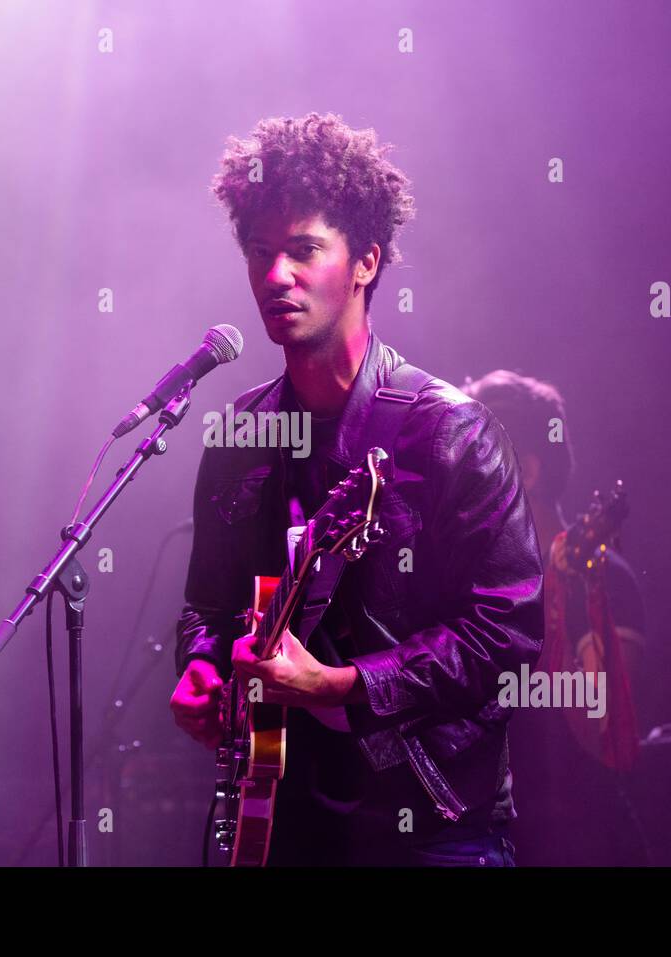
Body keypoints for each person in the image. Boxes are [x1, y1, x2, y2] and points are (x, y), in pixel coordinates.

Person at [168, 112, 544, 866]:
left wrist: (344, 683)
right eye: (260, 252)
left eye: (304, 250)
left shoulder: (447, 432)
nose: (276, 276)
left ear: (366, 262)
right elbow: (206, 609)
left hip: (433, 822)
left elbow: (510, 634)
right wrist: (203, 668)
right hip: (284, 822)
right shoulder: (240, 437)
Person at [462, 369, 650, 865]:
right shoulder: (476, 594)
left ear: (526, 471)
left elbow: (607, 729)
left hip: (586, 847)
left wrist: (569, 595)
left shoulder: (606, 580)